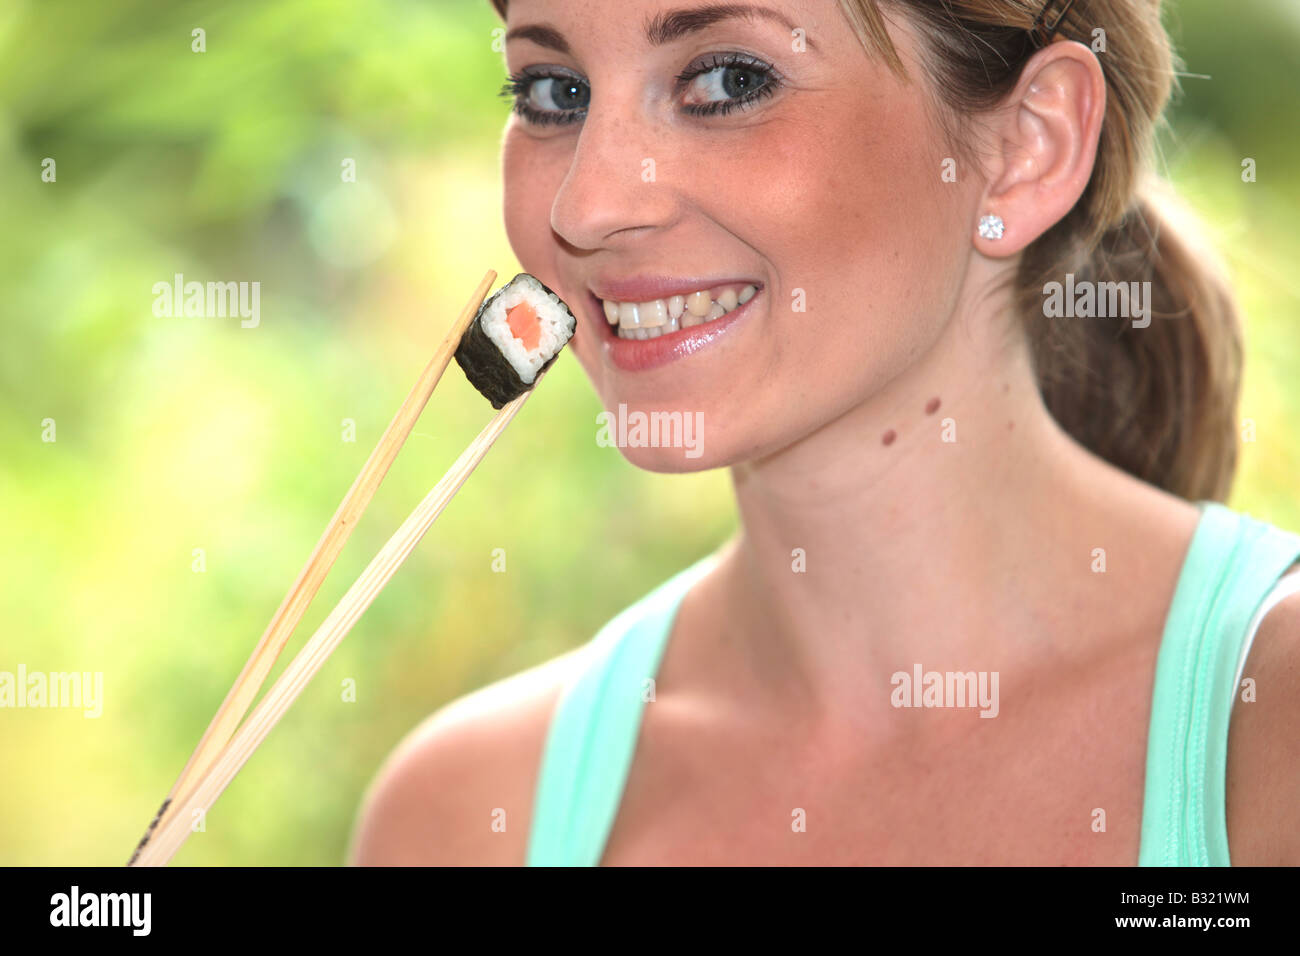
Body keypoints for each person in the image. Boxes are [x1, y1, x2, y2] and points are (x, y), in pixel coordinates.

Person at [350, 0, 1300, 865]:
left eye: (727, 80)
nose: (588, 207)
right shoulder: (461, 819)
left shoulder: (1274, 734)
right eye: (554, 93)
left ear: (1030, 142)